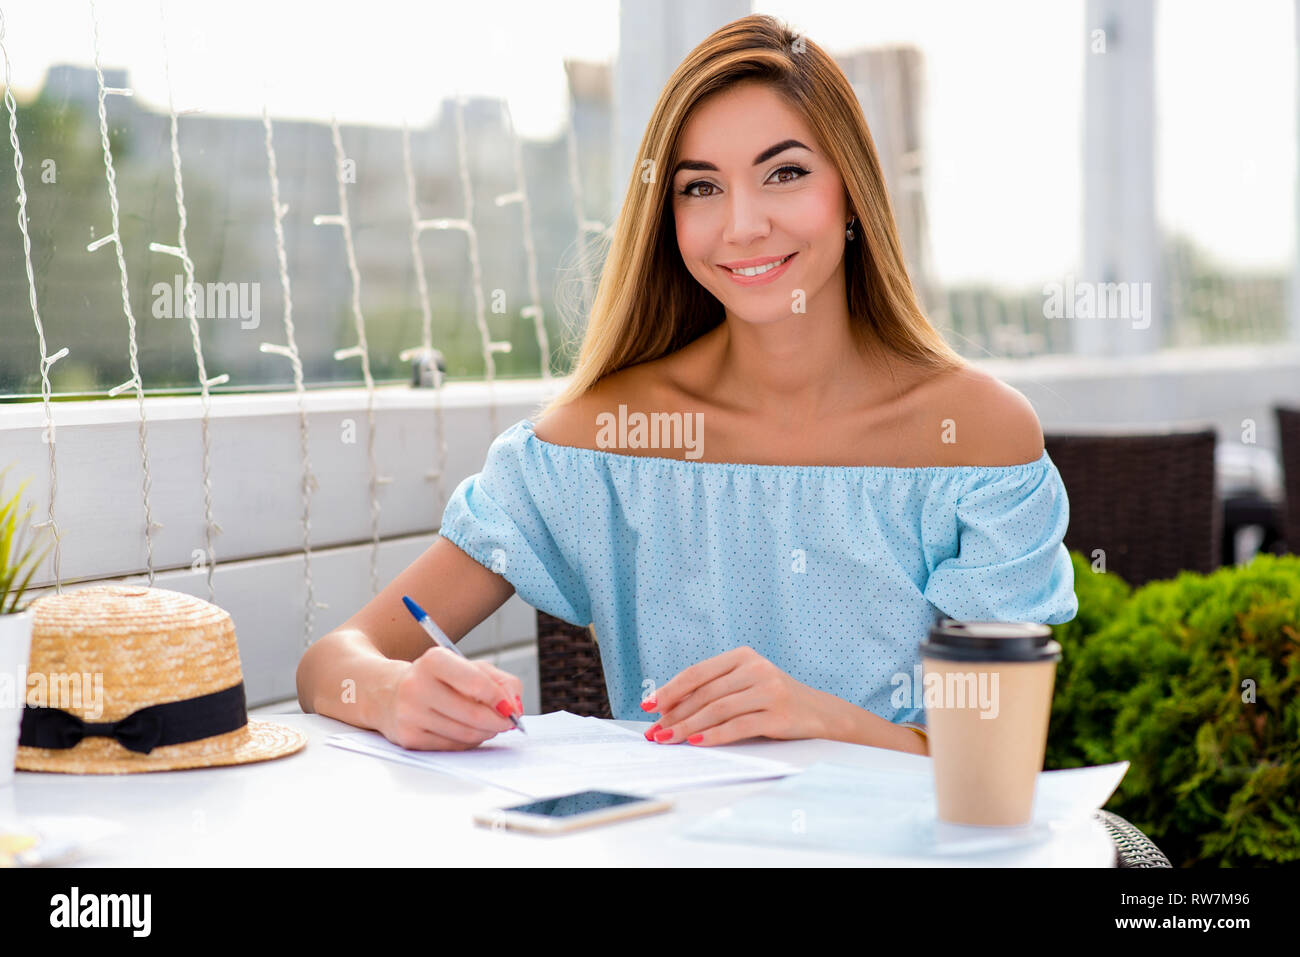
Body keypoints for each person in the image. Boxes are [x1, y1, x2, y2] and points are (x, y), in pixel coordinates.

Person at [295, 14, 1077, 757]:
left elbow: (1000, 751)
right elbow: (333, 660)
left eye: (785, 173)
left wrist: (813, 716)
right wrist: (396, 693)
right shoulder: (600, 440)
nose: (741, 225)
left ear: (853, 196)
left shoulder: (977, 437)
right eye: (700, 187)